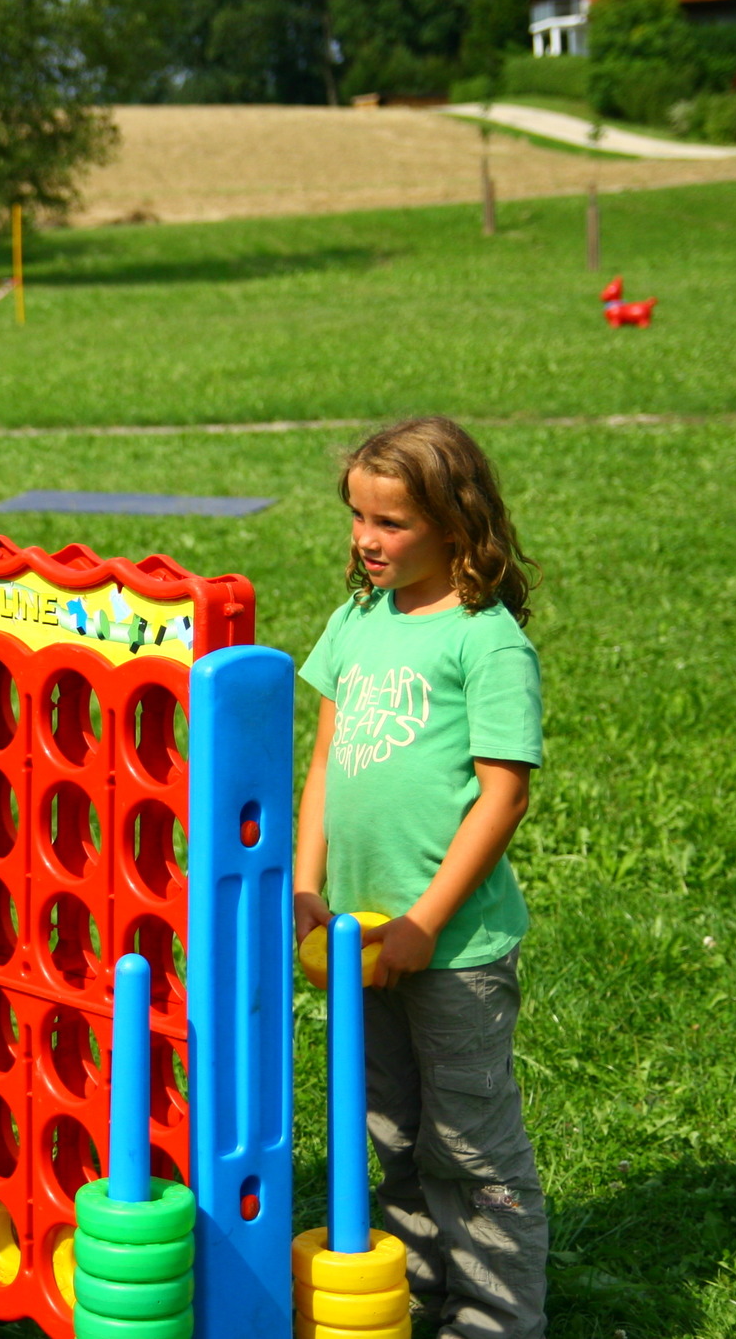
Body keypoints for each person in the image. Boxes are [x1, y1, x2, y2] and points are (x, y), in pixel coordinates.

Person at [292, 416, 547, 1339]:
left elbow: (504, 796)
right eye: (358, 516)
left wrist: (427, 922)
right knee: (392, 1135)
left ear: (455, 523)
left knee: (472, 1148)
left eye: (391, 522)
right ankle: (420, 1292)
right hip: (358, 937)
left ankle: (495, 1317)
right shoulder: (356, 620)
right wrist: (308, 887)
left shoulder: (484, 641)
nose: (366, 538)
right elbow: (324, 762)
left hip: (454, 949)